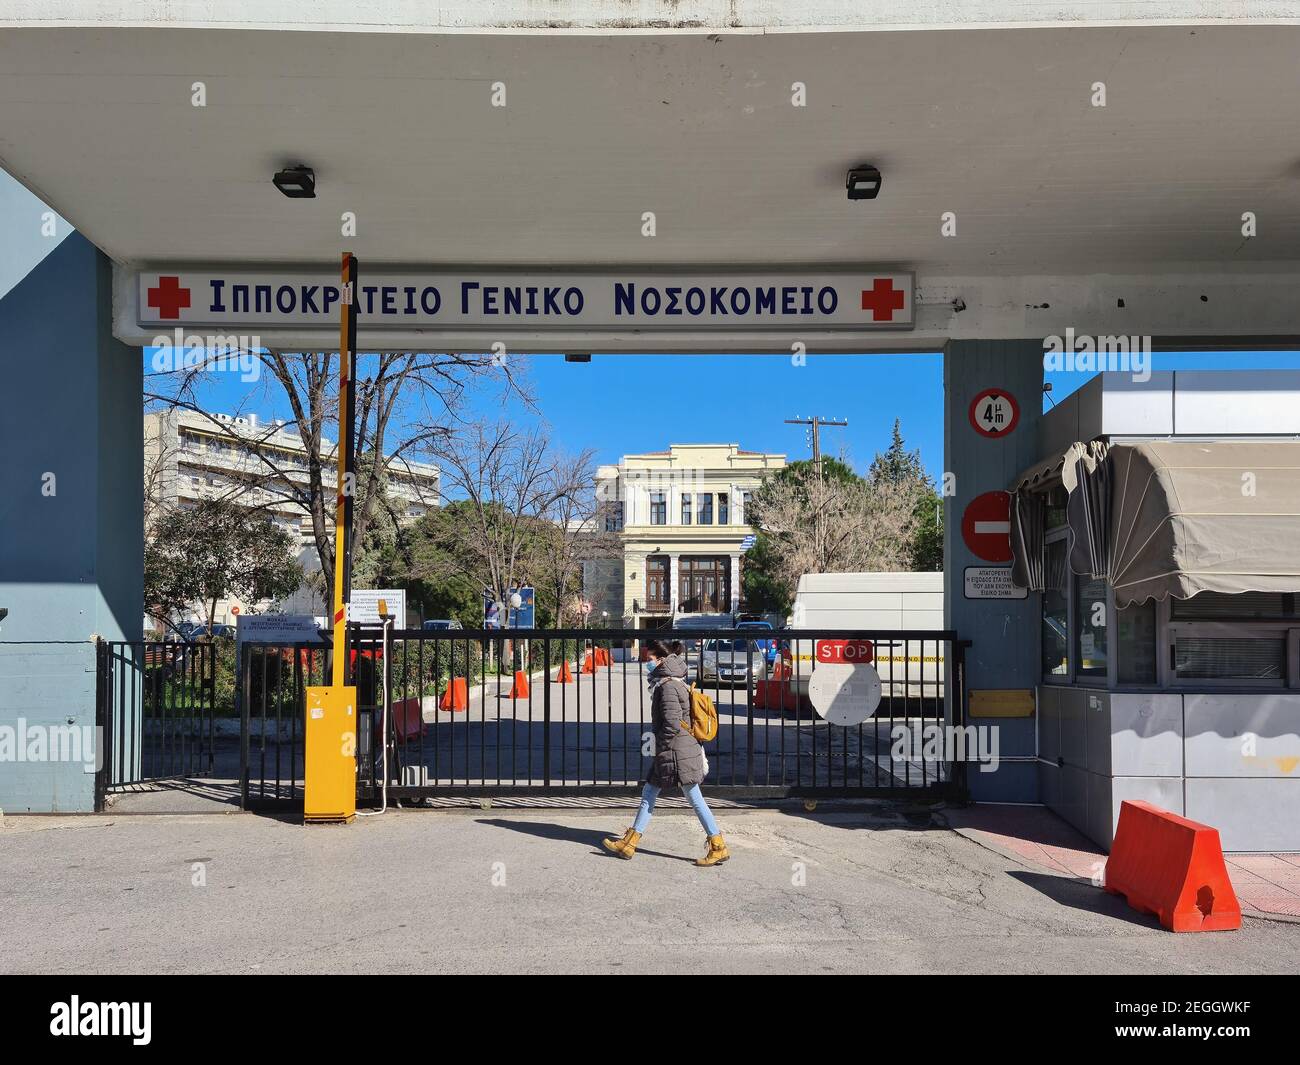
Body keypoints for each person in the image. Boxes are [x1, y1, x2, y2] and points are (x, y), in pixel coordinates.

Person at [603, 639, 729, 866]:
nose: (646, 663)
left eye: (649, 659)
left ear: (661, 660)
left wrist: (661, 745)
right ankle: (630, 842)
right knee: (649, 793)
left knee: (695, 799)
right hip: (675, 750)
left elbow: (671, 723)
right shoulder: (671, 681)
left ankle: (718, 844)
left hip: (676, 752)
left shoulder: (668, 685)